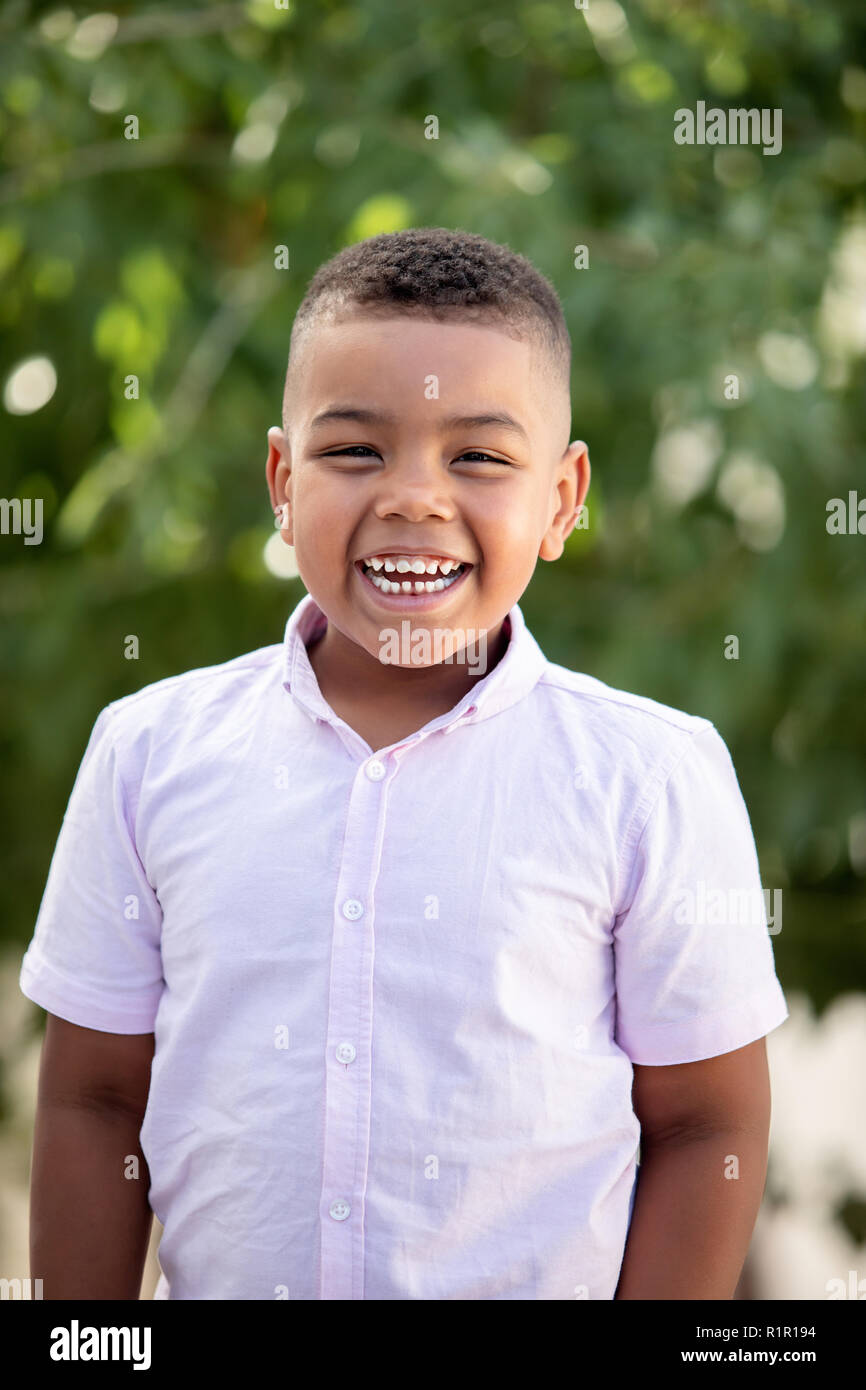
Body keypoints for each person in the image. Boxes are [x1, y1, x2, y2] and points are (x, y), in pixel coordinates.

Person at [20, 227, 788, 1300]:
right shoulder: (150, 753)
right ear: (282, 483)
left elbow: (705, 1119)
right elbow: (96, 1099)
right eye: (354, 452)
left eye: (477, 455)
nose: (414, 498)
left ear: (561, 501)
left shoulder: (650, 776)